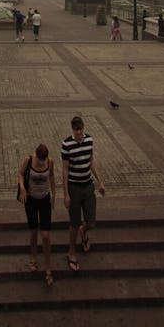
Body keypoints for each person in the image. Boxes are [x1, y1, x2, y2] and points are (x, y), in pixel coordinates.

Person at [62, 115, 105, 272]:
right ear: (73, 129)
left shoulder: (89, 140)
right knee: (74, 224)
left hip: (88, 185)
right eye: (76, 130)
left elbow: (91, 161)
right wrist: (66, 194)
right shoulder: (66, 144)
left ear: (83, 128)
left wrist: (100, 181)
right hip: (74, 187)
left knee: (91, 222)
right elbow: (65, 170)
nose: (79, 133)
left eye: (81, 130)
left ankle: (84, 231)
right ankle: (71, 252)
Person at [18, 143, 56, 287]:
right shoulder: (28, 160)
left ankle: (48, 266)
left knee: (45, 235)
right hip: (31, 200)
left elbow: (51, 176)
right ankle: (33, 257)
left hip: (45, 199)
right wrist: (22, 188)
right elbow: (21, 174)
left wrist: (54, 194)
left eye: (43, 160)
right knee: (33, 231)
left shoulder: (50, 162)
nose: (41, 162)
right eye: (40, 159)